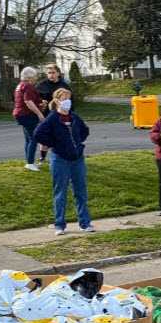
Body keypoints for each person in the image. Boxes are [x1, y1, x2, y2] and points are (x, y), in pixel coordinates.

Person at [33, 88, 94, 235]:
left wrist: (78, 144)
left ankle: (85, 223)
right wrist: (55, 143)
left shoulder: (74, 117)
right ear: (57, 100)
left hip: (77, 159)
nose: (67, 100)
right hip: (60, 159)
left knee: (81, 192)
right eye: (64, 98)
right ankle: (59, 225)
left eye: (69, 97)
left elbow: (84, 130)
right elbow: (38, 134)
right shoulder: (52, 118)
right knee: (60, 192)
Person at [35, 63, 71, 165]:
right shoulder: (41, 85)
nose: (51, 75)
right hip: (46, 116)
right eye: (49, 73)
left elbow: (71, 101)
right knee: (45, 137)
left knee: (61, 136)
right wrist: (41, 103)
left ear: (58, 73)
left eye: (53, 72)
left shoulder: (64, 86)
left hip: (61, 116)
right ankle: (42, 158)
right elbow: (35, 99)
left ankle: (62, 156)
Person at [13, 66, 45, 172]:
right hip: (27, 115)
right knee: (33, 138)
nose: (36, 79)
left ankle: (29, 161)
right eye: (35, 76)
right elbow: (28, 102)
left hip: (20, 114)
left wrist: (40, 103)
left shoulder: (20, 85)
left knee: (28, 139)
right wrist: (39, 114)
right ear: (30, 77)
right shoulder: (28, 86)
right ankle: (30, 163)